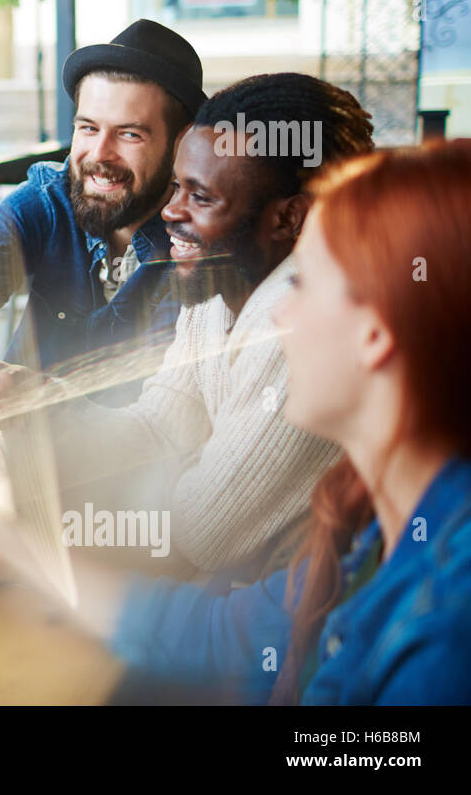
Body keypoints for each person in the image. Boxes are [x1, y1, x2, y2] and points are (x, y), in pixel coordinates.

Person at [0, 140, 471, 704]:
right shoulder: (371, 515)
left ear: (375, 336)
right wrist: (5, 540)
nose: (280, 313)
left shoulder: (447, 629)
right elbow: (226, 633)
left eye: (305, 284)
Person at [36, 74, 375, 579]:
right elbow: (159, 425)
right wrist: (30, 417)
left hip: (282, 635)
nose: (170, 211)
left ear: (289, 219)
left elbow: (199, 533)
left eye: (201, 197)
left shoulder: (301, 326)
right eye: (177, 185)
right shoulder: (221, 275)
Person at [0, 20, 206, 402]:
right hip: (11, 449)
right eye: (87, 128)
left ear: (183, 142)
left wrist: (42, 398)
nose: (99, 154)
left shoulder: (198, 244)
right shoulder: (50, 200)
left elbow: (164, 415)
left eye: (129, 134)